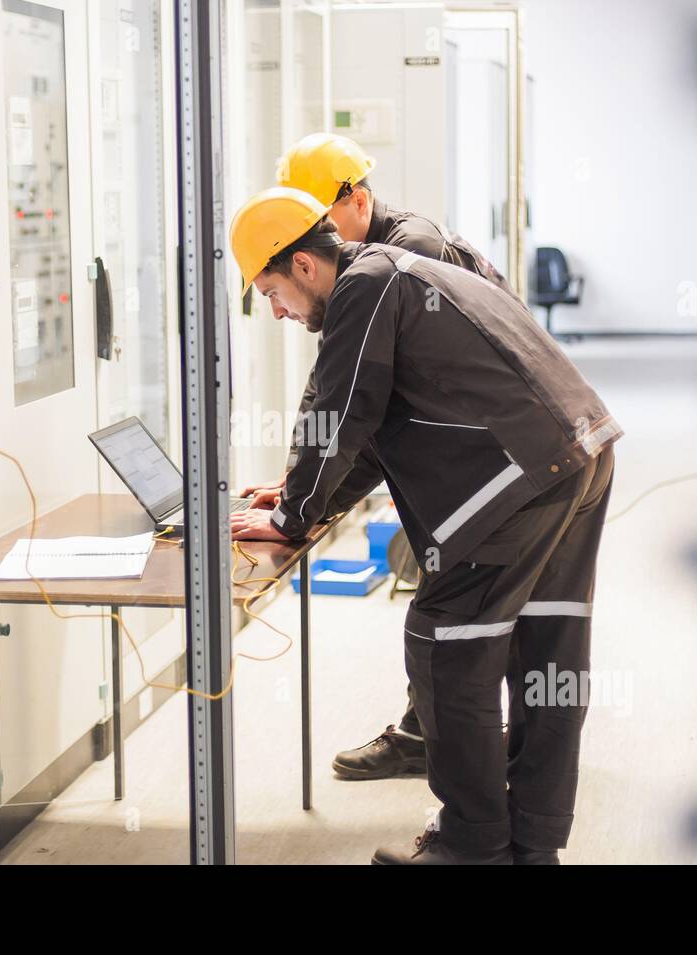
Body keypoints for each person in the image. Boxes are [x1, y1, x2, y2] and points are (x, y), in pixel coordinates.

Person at [228, 187, 621, 865]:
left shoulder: (364, 287)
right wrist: (301, 499)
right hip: (581, 449)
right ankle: (533, 840)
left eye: (271, 292)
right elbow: (374, 434)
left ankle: (471, 843)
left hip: (521, 474)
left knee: (445, 645)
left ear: (303, 266)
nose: (278, 311)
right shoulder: (400, 274)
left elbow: (340, 412)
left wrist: (294, 514)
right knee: (546, 650)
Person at [239, 132, 512, 783]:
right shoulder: (388, 249)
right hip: (487, 450)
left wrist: (303, 508)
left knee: (447, 612)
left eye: (316, 221)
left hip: (487, 459)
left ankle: (451, 758)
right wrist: (309, 494)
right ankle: (446, 741)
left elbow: (359, 405)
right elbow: (369, 416)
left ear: (356, 200)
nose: (309, 235)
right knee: (451, 609)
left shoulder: (395, 258)